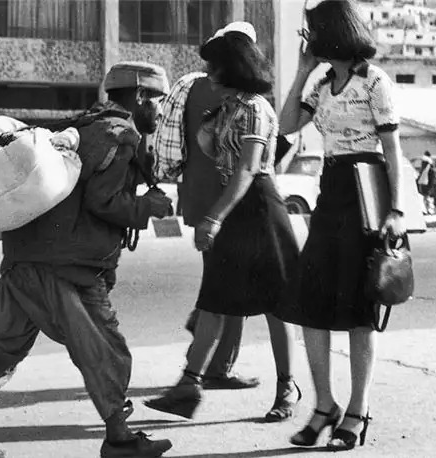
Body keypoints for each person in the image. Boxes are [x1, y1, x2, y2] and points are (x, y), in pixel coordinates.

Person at [0, 62, 175, 458]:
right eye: (158, 102)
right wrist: (148, 205)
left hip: (21, 260)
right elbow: (104, 202)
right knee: (104, 349)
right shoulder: (121, 133)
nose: (161, 112)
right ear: (139, 97)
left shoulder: (83, 124)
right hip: (69, 270)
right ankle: (120, 438)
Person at [144, 22, 301, 423]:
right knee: (213, 299)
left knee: (276, 305)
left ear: (231, 67)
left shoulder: (254, 108)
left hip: (258, 209)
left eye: (214, 66)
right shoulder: (227, 107)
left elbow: (248, 170)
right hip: (231, 206)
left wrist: (212, 217)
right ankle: (187, 386)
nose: (209, 73)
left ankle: (288, 388)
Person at [277, 0, 407, 451]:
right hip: (330, 193)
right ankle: (324, 405)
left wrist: (397, 211)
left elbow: (392, 152)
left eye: (311, 32)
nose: (306, 38)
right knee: (310, 302)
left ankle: (358, 410)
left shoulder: (374, 81)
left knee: (357, 311)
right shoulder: (322, 83)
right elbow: (288, 123)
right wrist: (300, 70)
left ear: (330, 32)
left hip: (367, 196)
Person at [151, 70, 261, 391]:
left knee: (218, 277)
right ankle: (218, 366)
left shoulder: (191, 85)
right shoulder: (233, 89)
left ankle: (202, 331)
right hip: (224, 199)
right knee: (232, 284)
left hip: (196, 195)